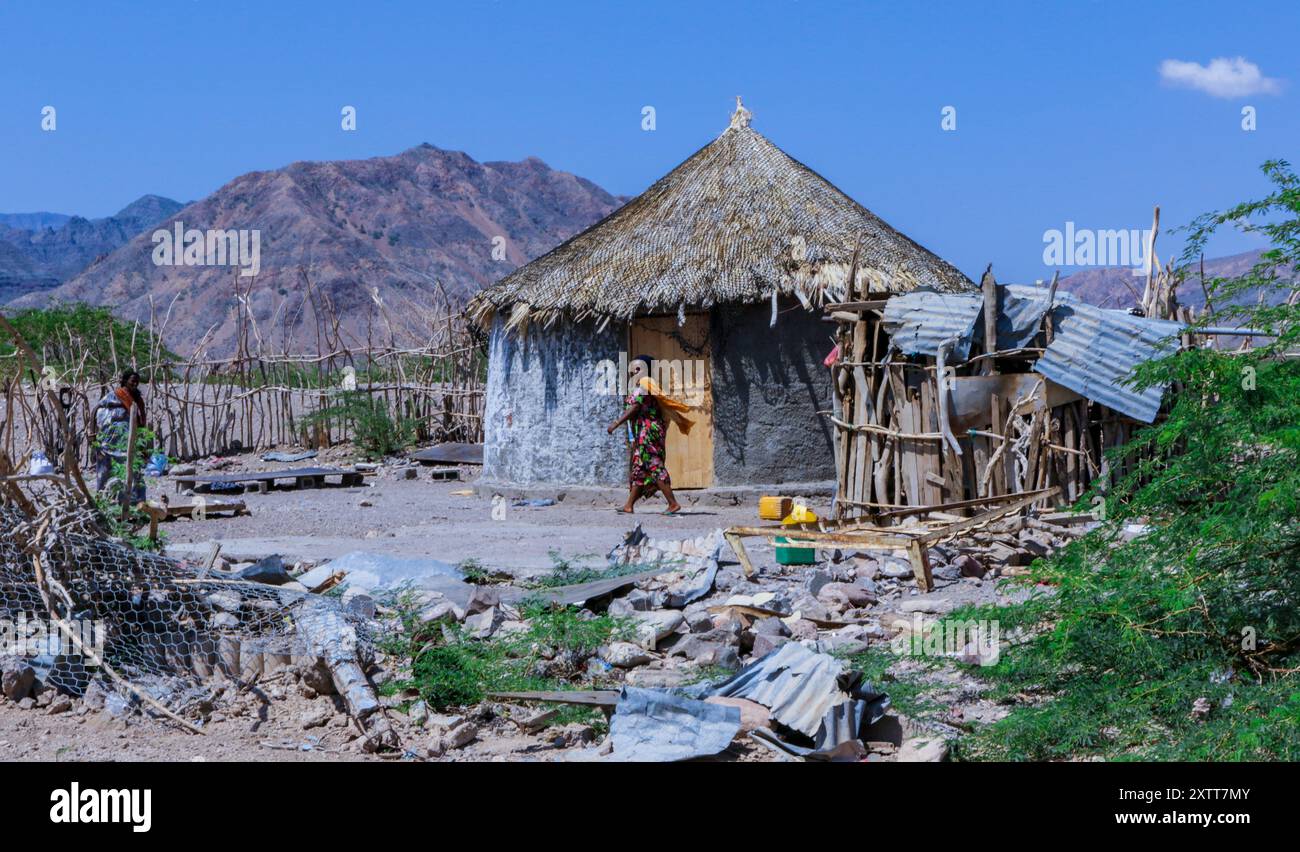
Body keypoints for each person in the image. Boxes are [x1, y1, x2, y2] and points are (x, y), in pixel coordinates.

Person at [607, 355, 693, 515]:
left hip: (648, 433)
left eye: (638, 368)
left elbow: (635, 407)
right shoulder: (642, 385)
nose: (633, 371)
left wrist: (616, 423)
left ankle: (673, 504)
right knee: (639, 467)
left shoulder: (646, 384)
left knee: (654, 465)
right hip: (642, 432)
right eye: (633, 368)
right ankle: (629, 505)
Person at [94, 369, 146, 498]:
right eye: (132, 381)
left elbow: (140, 421)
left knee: (131, 469)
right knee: (105, 470)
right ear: (125, 381)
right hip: (108, 442)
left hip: (127, 443)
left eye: (137, 382)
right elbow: (95, 409)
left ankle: (133, 500)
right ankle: (102, 498)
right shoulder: (115, 395)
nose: (135, 384)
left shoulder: (137, 399)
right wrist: (91, 433)